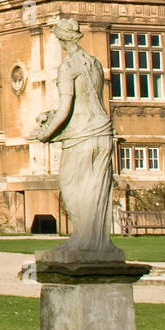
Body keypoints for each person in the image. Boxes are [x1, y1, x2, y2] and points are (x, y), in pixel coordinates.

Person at [29, 17, 123, 263]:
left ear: (61, 39)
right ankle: (98, 242)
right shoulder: (94, 63)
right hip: (103, 130)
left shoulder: (68, 65)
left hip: (82, 135)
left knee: (72, 188)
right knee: (96, 189)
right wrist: (54, 117)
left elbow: (65, 109)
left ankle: (83, 240)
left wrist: (46, 133)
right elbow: (91, 101)